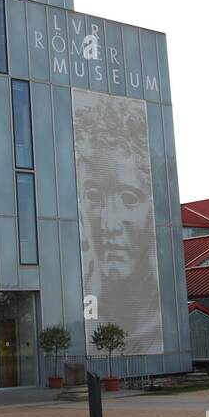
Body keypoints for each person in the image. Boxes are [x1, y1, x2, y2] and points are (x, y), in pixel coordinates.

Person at [72, 91, 164, 354]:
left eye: (128, 198)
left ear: (151, 207)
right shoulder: (76, 309)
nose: (108, 224)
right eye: (93, 196)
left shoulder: (165, 318)